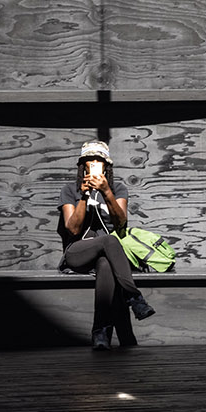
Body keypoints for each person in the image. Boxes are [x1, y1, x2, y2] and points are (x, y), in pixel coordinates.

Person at [58, 139, 156, 350]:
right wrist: (84, 196)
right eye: (89, 159)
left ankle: (100, 333)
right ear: (82, 165)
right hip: (78, 253)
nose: (94, 163)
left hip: (108, 257)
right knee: (110, 240)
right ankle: (134, 297)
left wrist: (106, 192)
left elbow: (120, 223)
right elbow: (72, 229)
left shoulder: (117, 189)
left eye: (99, 159)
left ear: (106, 165)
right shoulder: (70, 190)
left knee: (105, 264)